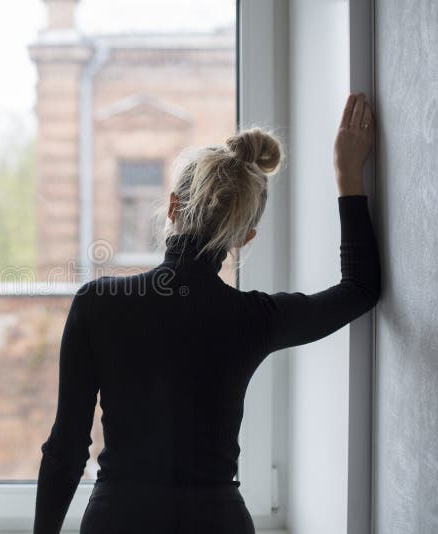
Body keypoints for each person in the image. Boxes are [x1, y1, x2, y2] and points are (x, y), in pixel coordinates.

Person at [32, 93, 380, 534]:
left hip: (118, 520)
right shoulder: (254, 318)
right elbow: (361, 289)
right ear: (245, 237)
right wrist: (348, 176)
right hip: (218, 521)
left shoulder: (97, 304)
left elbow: (66, 448)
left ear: (174, 207)